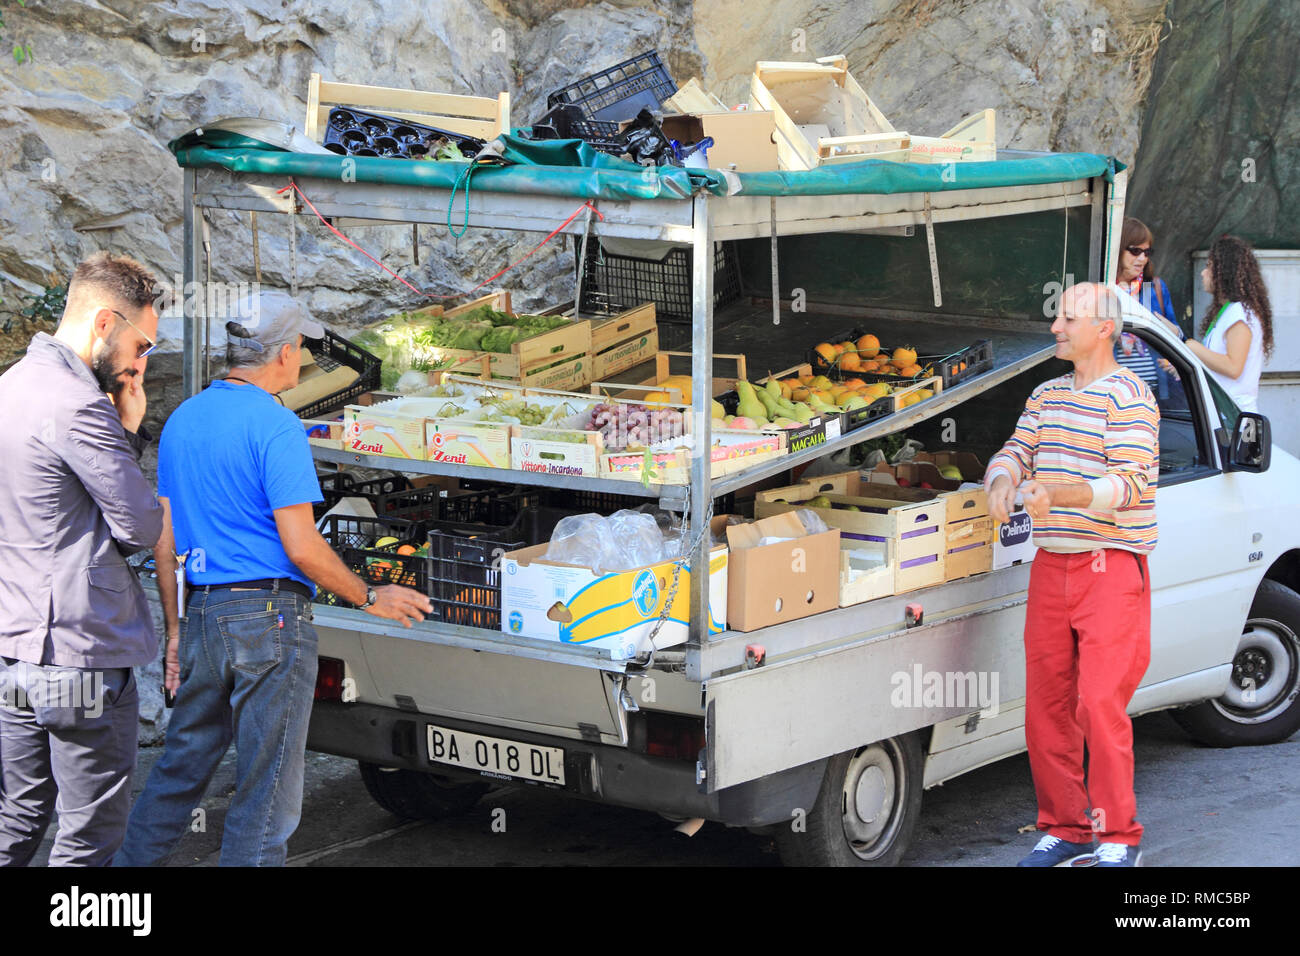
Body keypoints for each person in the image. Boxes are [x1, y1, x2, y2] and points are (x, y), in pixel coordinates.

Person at [117, 290, 432, 867]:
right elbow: (303, 546)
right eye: (303, 348)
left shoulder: (184, 418)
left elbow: (163, 539)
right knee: (268, 791)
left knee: (179, 772)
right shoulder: (278, 426)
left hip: (204, 614)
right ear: (285, 352)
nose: (304, 357)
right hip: (269, 619)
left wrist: (173, 628)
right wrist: (369, 596)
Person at [985, 282, 1160, 868]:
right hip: (1051, 567)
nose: (1055, 326)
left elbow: (1131, 484)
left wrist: (1060, 492)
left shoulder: (1131, 397)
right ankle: (1066, 829)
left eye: (1067, 318)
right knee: (1048, 707)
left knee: (1098, 706)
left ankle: (1118, 837)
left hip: (1110, 569)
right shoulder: (1046, 395)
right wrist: (1002, 481)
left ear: (1104, 328)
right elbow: (1015, 449)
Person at [0, 252, 164, 866]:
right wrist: (130, 428)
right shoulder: (78, 403)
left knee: (15, 820)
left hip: (14, 654)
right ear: (104, 322)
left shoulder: (10, 385)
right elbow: (142, 523)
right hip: (80, 658)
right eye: (140, 343)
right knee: (89, 839)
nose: (138, 363)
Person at [1184, 234, 1273, 413]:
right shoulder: (1229, 310)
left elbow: (1233, 367)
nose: (1203, 273)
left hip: (1235, 416)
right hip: (1222, 412)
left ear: (1225, 272)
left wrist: (1191, 346)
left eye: (1209, 267)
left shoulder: (1239, 313)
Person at [1113, 217, 1182, 386]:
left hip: (1156, 387)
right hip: (1114, 387)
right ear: (1118, 249)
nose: (1143, 258)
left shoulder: (1155, 288)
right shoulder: (1100, 290)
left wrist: (1177, 334)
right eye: (1135, 251)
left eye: (1147, 252)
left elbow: (1177, 334)